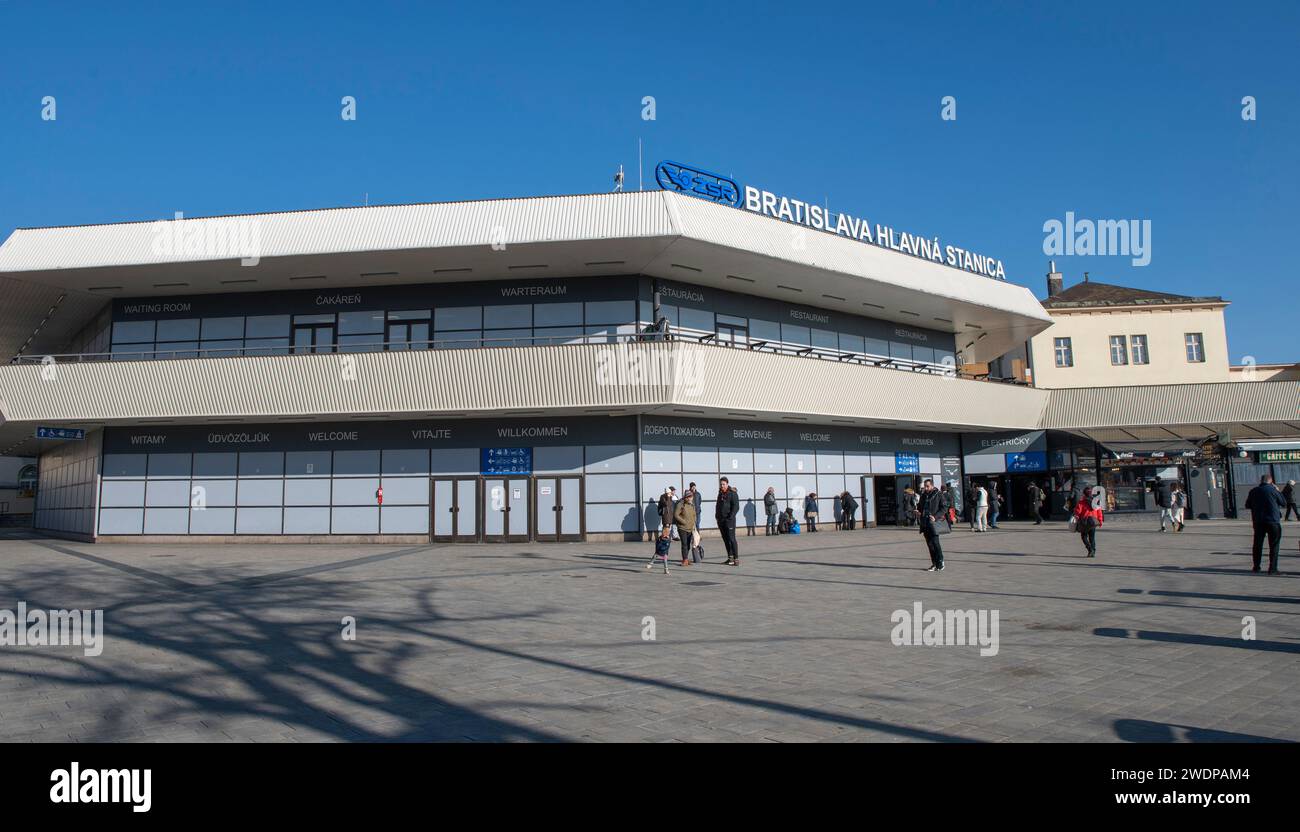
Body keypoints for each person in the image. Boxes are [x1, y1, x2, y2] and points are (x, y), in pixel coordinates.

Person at [1244, 475, 1286, 574]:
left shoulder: (1253, 491)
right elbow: (1283, 503)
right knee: (1274, 545)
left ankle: (1256, 566)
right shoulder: (1273, 490)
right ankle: (1272, 569)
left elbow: (1247, 505)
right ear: (1271, 481)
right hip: (1273, 521)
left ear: (1261, 481)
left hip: (1258, 521)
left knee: (1257, 544)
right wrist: (1278, 491)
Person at [916, 479, 946, 572]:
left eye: (927, 486)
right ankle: (934, 563)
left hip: (933, 522)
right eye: (925, 486)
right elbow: (920, 506)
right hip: (925, 522)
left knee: (935, 543)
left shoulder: (938, 494)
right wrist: (918, 512)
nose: (925, 488)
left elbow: (944, 507)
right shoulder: (923, 495)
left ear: (932, 486)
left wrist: (935, 516)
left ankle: (940, 562)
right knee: (930, 544)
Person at [1071, 485, 1104, 557]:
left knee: (1084, 537)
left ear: (1084, 494)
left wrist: (1075, 519)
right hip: (1093, 522)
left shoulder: (1081, 502)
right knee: (1092, 538)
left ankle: (1090, 550)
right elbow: (1099, 512)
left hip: (1084, 522)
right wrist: (1100, 521)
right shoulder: (1095, 502)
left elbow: (1077, 513)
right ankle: (1093, 551)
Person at [716, 477, 741, 566]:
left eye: (723, 484)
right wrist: (717, 516)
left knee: (732, 539)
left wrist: (730, 517)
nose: (722, 486)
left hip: (729, 520)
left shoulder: (732, 493)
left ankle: (736, 558)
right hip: (721, 520)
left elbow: (736, 507)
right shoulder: (720, 493)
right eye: (721, 484)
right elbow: (718, 505)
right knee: (725, 539)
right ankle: (730, 558)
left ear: (727, 484)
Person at [674, 487, 700, 567]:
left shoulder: (692, 504)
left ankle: (686, 558)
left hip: (690, 527)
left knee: (688, 544)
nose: (690, 498)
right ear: (685, 497)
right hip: (682, 528)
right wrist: (683, 521)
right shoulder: (680, 504)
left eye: (691, 496)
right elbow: (676, 515)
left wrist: (694, 522)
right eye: (688, 497)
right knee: (684, 544)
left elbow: (694, 514)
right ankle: (684, 560)